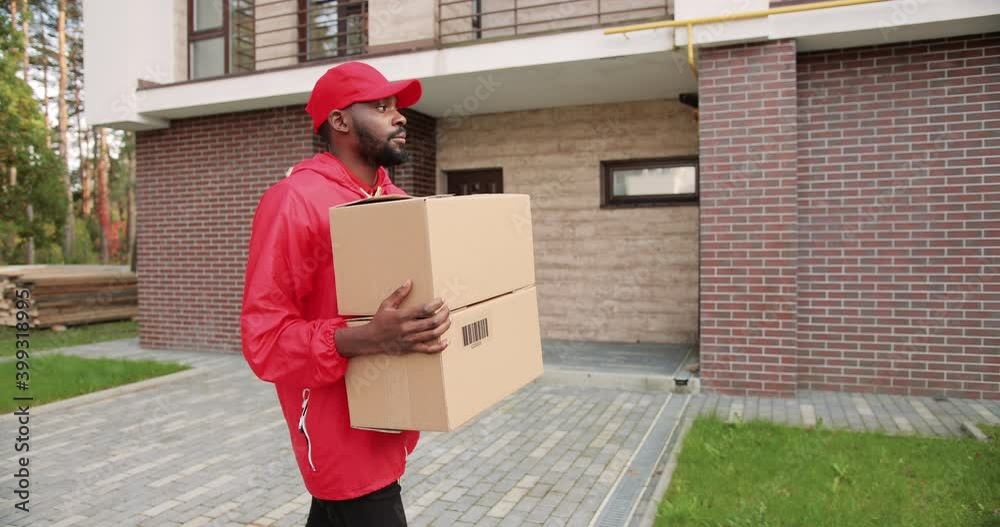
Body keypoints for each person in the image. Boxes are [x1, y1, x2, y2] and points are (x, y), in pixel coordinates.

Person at [240, 62, 452, 527]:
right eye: (381, 107)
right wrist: (365, 337)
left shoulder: (394, 198)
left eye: (396, 107)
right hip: (339, 436)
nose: (399, 117)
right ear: (339, 121)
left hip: (390, 421)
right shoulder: (292, 200)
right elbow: (264, 341)